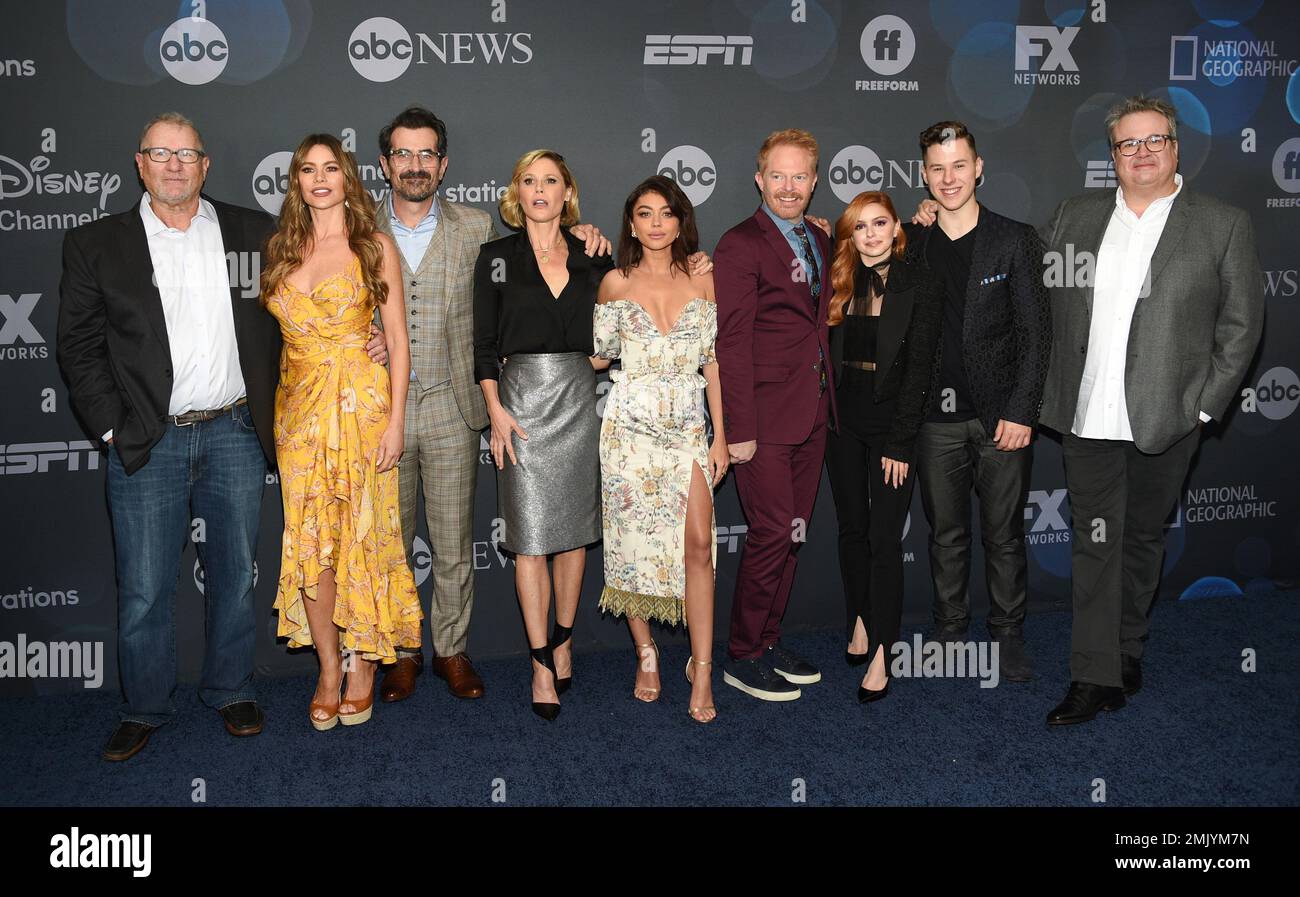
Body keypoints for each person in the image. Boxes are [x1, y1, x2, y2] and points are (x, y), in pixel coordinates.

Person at [57, 112, 384, 761]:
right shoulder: (96, 243)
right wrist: (113, 427)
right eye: (161, 153)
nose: (174, 165)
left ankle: (231, 688)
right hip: (147, 437)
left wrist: (370, 332)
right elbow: (77, 346)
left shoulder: (255, 232)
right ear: (140, 163)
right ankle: (145, 704)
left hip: (236, 428)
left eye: (188, 155)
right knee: (146, 584)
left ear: (205, 165)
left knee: (236, 574)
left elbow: (319, 297)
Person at [1039, 95, 1264, 725]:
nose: (1140, 153)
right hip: (1087, 416)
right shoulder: (1073, 217)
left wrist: (1202, 408)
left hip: (1169, 419)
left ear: (1175, 146)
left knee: (1140, 542)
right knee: (1095, 544)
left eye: (1153, 140)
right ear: (1111, 155)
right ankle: (1092, 676)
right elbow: (1027, 284)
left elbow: (1242, 325)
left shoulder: (1221, 223)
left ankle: (1126, 650)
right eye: (1127, 144)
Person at [373, 108, 609, 703]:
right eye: (404, 154)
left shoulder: (477, 230)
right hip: (383, 410)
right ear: (384, 164)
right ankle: (402, 654)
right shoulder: (355, 230)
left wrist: (588, 234)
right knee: (392, 542)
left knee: (453, 545)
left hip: (455, 407)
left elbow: (544, 268)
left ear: (443, 164)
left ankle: (451, 651)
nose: (416, 165)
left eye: (427, 154)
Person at [261, 133, 422, 730]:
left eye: (331, 168)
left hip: (362, 411)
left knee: (362, 536)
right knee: (311, 548)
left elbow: (399, 340)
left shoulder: (373, 245)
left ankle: (363, 666)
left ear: (347, 177)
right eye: (308, 169)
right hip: (298, 418)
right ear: (297, 180)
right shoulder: (281, 248)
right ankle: (328, 667)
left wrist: (397, 419)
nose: (320, 178)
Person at [473, 150, 615, 721]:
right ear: (516, 192)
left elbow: (619, 326)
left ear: (566, 192)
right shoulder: (496, 258)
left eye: (550, 180)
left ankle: (563, 639)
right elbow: (484, 344)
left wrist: (601, 356)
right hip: (520, 405)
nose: (539, 189)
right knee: (529, 539)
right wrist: (495, 411)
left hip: (578, 401)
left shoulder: (592, 254)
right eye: (528, 180)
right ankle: (539, 662)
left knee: (575, 535)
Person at [907, 121, 1050, 683]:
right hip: (934, 421)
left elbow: (1038, 335)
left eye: (959, 166)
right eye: (938, 168)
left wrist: (1021, 411)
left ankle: (1008, 634)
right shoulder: (911, 240)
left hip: (999, 420)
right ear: (924, 174)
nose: (949, 178)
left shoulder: (1014, 238)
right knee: (944, 535)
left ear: (979, 167)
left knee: (1005, 534)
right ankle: (949, 631)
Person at [594, 175, 728, 723]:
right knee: (631, 547)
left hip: (687, 431)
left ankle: (701, 667)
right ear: (632, 223)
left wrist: (719, 433)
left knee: (699, 545)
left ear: (680, 222)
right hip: (628, 432)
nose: (655, 223)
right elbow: (598, 358)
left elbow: (712, 361)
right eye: (645, 213)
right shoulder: (613, 283)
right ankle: (646, 653)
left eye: (666, 213)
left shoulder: (701, 280)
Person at [714, 128, 834, 702]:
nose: (789, 187)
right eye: (778, 176)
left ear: (814, 181)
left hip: (813, 413)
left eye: (800, 176)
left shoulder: (818, 236)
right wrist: (738, 430)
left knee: (792, 534)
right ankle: (740, 653)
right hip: (761, 421)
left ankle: (767, 640)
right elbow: (731, 343)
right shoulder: (740, 244)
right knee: (768, 532)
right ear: (760, 179)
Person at [825, 191, 942, 703]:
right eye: (859, 227)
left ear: (898, 229)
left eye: (880, 223)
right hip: (840, 421)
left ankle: (882, 653)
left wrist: (900, 440)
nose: (870, 234)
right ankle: (860, 618)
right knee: (850, 529)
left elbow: (921, 370)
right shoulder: (837, 280)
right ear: (848, 235)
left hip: (892, 424)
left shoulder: (919, 279)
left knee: (883, 538)